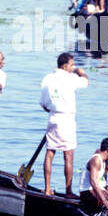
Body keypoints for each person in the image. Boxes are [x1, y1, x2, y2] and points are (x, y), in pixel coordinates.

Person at [40, 52, 89, 196]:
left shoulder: (48, 78)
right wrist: (81, 72)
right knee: (69, 155)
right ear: (64, 66)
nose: (74, 67)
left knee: (50, 152)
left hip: (53, 117)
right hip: (66, 119)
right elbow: (86, 82)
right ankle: (68, 190)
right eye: (72, 64)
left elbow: (43, 104)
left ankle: (47, 188)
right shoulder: (71, 78)